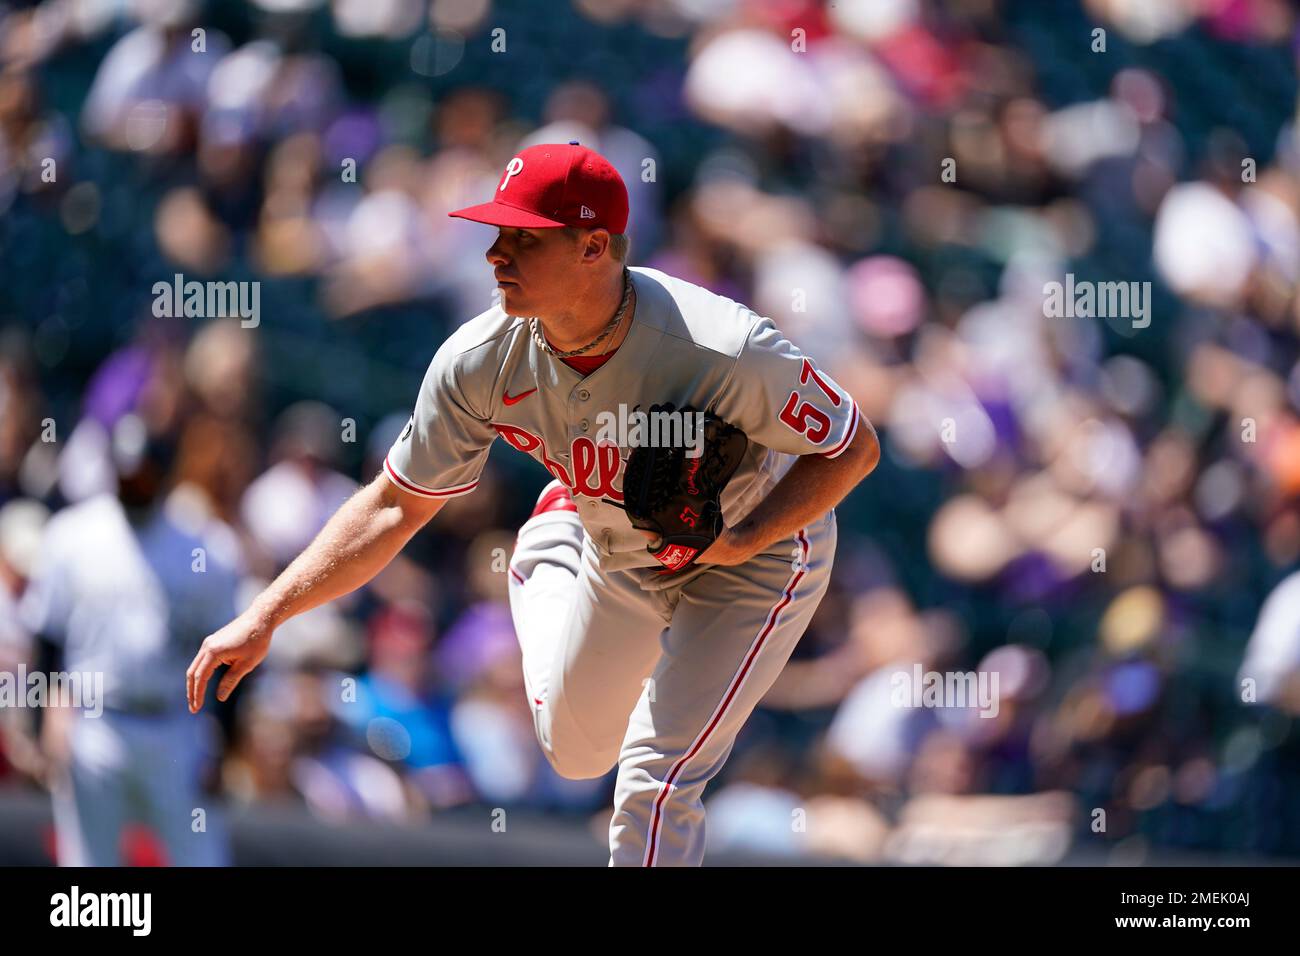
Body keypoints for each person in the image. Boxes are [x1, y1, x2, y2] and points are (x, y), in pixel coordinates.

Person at [187, 142, 880, 866]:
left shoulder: (721, 345)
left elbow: (852, 446)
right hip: (619, 544)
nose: (496, 254)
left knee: (654, 773)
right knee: (577, 754)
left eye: (525, 237)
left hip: (753, 556)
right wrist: (268, 612)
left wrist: (746, 536)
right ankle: (559, 532)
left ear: (593, 247)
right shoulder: (480, 358)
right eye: (496, 233)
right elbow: (395, 505)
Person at [23, 413, 239, 866]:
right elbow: (47, 635)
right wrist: (45, 713)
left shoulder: (204, 548)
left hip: (178, 725)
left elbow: (231, 650)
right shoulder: (73, 536)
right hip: (94, 724)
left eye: (142, 472)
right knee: (88, 868)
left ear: (162, 472)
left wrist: (226, 740)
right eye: (125, 472)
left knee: (201, 858)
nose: (133, 482)